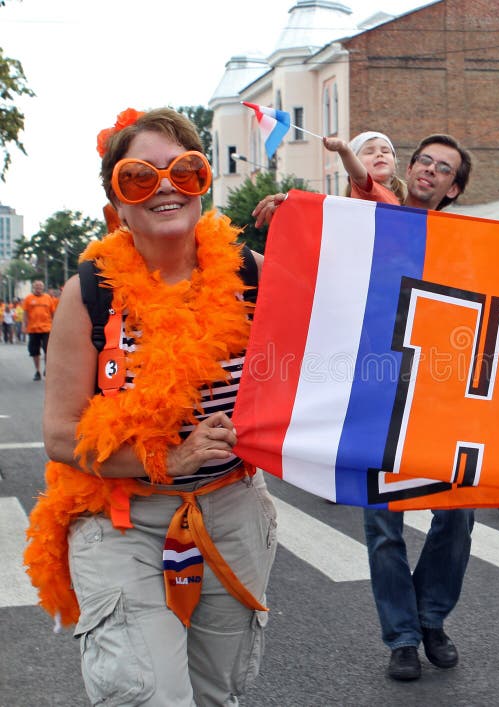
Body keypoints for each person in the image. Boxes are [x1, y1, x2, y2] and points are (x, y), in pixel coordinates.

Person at [24, 107, 278, 706]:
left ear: (203, 184)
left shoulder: (251, 273)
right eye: (140, 176)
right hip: (122, 519)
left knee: (218, 692)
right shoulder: (88, 293)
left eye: (184, 170)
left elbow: (353, 312)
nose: (166, 185)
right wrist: (170, 458)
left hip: (233, 509)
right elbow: (62, 438)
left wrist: (346, 222)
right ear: (117, 203)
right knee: (149, 695)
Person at [254, 134, 475, 682]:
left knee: (458, 513)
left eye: (442, 168)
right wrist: (293, 208)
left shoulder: (470, 242)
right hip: (376, 389)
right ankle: (402, 637)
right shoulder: (379, 213)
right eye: (423, 160)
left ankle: (431, 618)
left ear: (455, 188)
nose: (428, 171)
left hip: (441, 393)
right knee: (384, 523)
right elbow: (334, 224)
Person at [324, 130, 407, 204]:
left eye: (385, 151)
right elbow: (359, 176)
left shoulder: (400, 197)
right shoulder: (367, 189)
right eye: (369, 152)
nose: (379, 154)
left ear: (395, 163)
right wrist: (343, 149)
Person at [22, 279, 56, 380]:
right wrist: (24, 325)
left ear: (43, 288)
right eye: (37, 287)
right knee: (34, 351)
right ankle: (37, 371)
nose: (38, 289)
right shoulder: (28, 298)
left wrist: (55, 326)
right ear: (33, 288)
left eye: (40, 287)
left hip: (47, 328)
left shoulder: (48, 298)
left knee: (48, 350)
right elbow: (25, 313)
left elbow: (53, 313)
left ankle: (47, 368)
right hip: (33, 329)